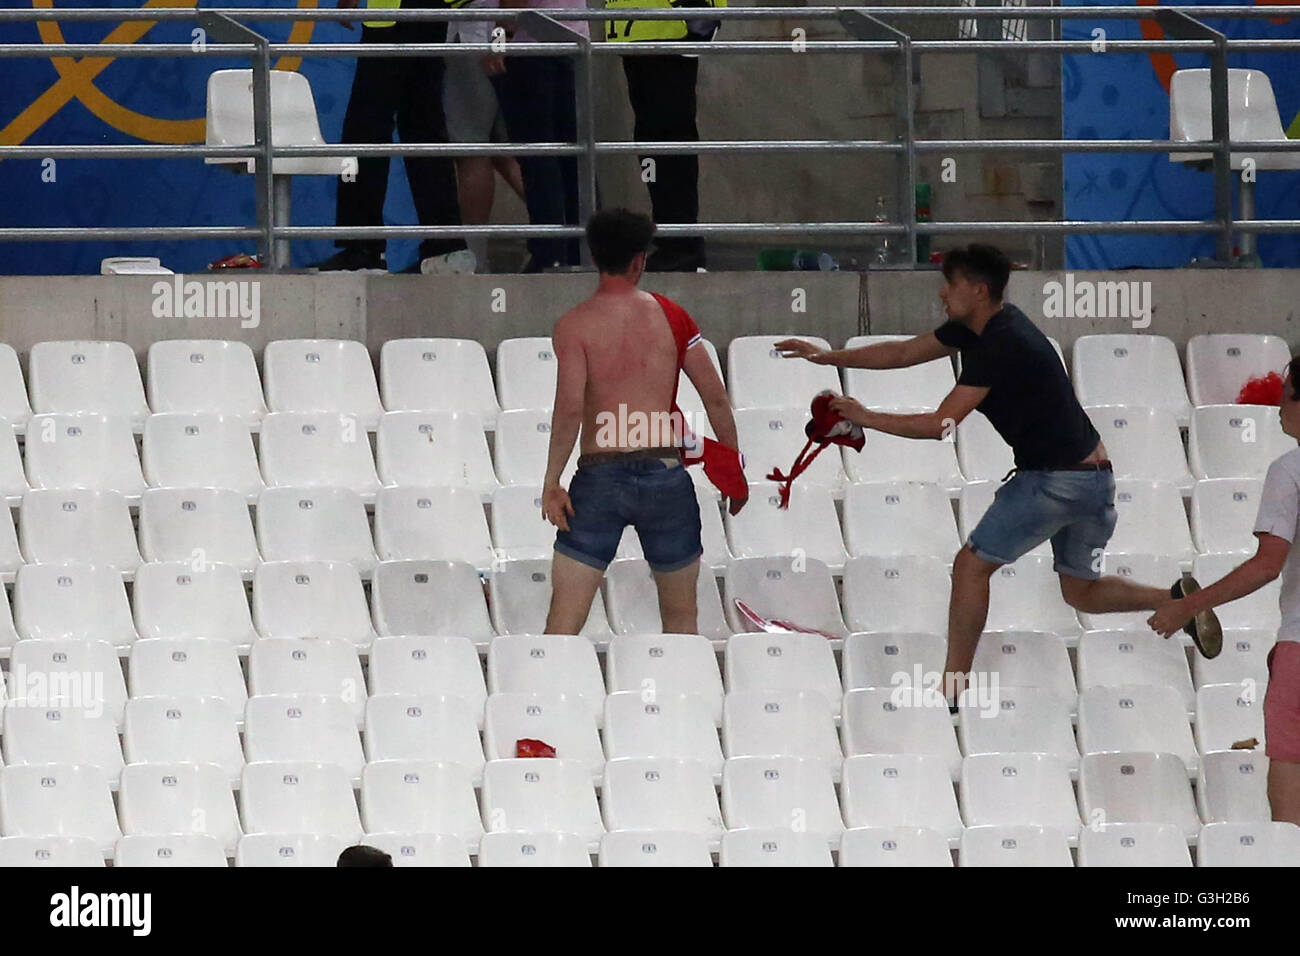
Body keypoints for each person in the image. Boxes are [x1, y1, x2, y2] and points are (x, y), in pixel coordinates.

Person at [776, 243, 1223, 707]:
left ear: (978, 289)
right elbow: (906, 352)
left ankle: (952, 687)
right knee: (1080, 592)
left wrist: (865, 417)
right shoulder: (985, 327)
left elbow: (939, 426)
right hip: (1095, 478)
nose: (943, 294)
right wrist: (827, 357)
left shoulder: (1001, 345)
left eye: (950, 285)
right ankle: (1176, 598)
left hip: (1055, 479)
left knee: (971, 567)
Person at [540, 209, 745, 635]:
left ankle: (544, 700)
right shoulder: (673, 317)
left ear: (595, 257)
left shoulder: (573, 326)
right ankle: (679, 700)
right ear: (640, 260)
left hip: (599, 478)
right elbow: (716, 399)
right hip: (665, 476)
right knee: (681, 621)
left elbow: (570, 409)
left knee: (563, 623)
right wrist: (732, 470)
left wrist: (552, 481)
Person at [1149, 357, 1300, 824]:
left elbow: (1266, 566)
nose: (1278, 402)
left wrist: (1190, 606)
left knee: (1291, 761)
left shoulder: (1290, 469)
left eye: (1288, 392)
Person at [311, 0, 477, 275]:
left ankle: (364, 248)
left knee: (367, 129)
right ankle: (446, 248)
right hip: (424, 14)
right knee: (422, 129)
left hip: (397, 16)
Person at [603, 0, 726, 272]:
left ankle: (681, 242)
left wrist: (701, 17)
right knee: (653, 142)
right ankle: (673, 238)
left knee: (669, 140)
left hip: (668, 29)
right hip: (640, 32)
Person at [480, 0, 589, 271]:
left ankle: (550, 252)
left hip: (530, 41)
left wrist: (502, 32)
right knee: (570, 154)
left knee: (539, 155)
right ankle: (579, 251)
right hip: (569, 36)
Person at [442, 10, 527, 269]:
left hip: (474, 35)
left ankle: (474, 258)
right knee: (504, 150)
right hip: (508, 38)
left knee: (472, 151)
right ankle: (569, 238)